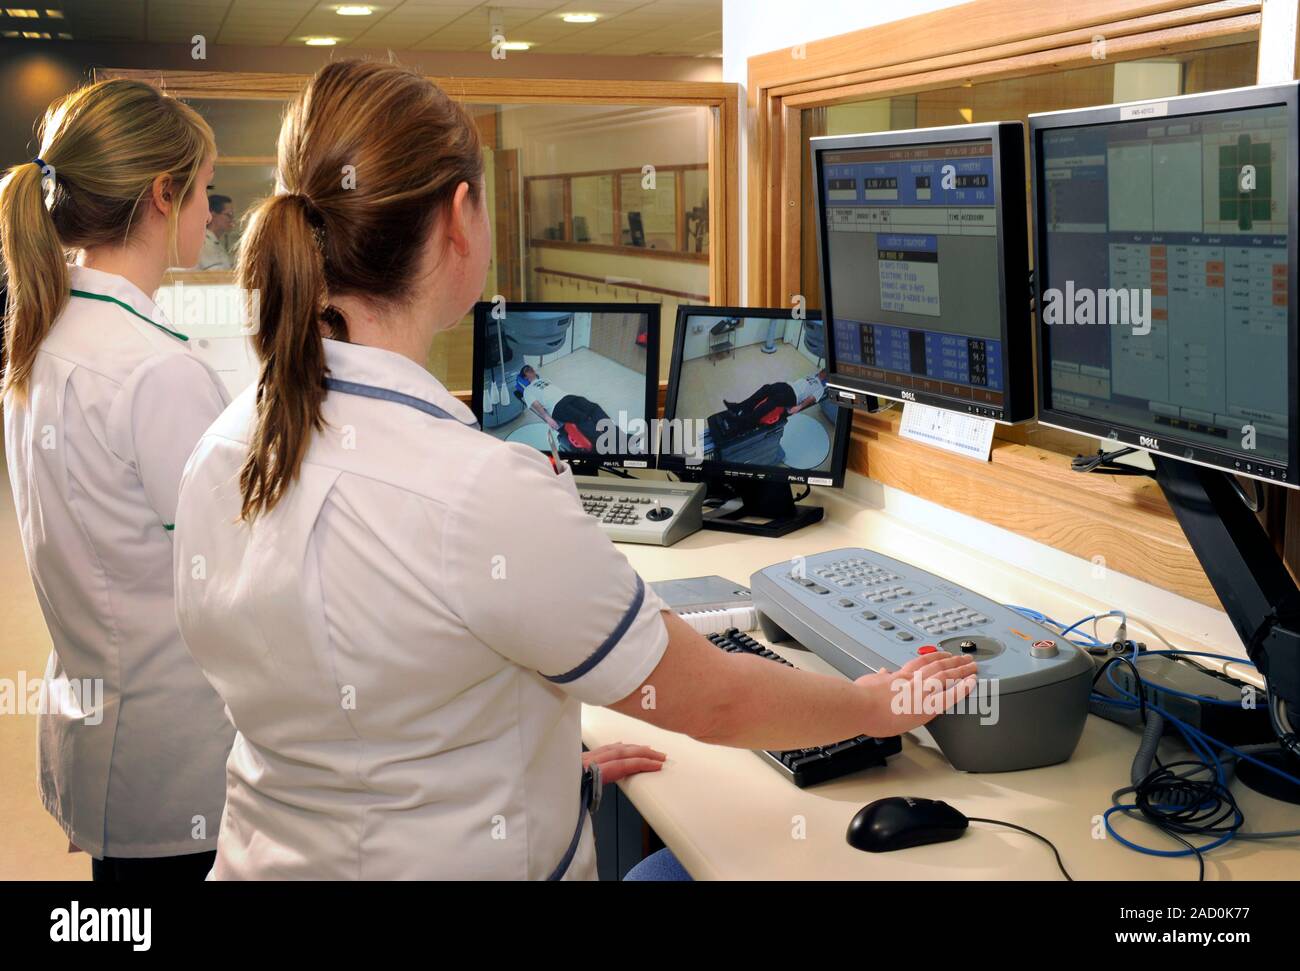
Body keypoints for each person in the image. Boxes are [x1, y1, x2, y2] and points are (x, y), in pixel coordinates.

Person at [172, 60, 978, 881]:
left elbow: (351, 717)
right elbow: (716, 699)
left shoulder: (223, 452)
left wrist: (532, 776)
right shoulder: (478, 492)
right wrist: (877, 702)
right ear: (460, 219)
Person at [0, 78, 234, 880]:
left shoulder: (41, 341)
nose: (213, 212)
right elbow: (233, 574)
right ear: (164, 196)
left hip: (103, 735)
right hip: (177, 764)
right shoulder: (157, 370)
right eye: (206, 191)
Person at [515, 363, 610, 449]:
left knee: (594, 408)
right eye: (526, 370)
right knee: (583, 419)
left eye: (530, 368)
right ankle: (603, 446)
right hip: (557, 406)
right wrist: (547, 418)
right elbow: (535, 404)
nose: (530, 369)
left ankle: (613, 434)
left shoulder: (544, 380)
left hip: (568, 397)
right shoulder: (528, 390)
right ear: (525, 377)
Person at [724, 368, 829, 425]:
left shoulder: (820, 388)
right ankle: (739, 407)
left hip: (794, 396)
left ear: (826, 376)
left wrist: (799, 407)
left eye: (825, 371)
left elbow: (811, 399)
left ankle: (745, 420)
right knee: (766, 388)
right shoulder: (813, 375)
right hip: (788, 385)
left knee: (772, 401)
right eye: (823, 370)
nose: (822, 370)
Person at [196, 193, 234, 269]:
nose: (232, 219)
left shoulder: (214, 242)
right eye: (229, 215)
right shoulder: (203, 243)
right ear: (212, 215)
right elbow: (215, 274)